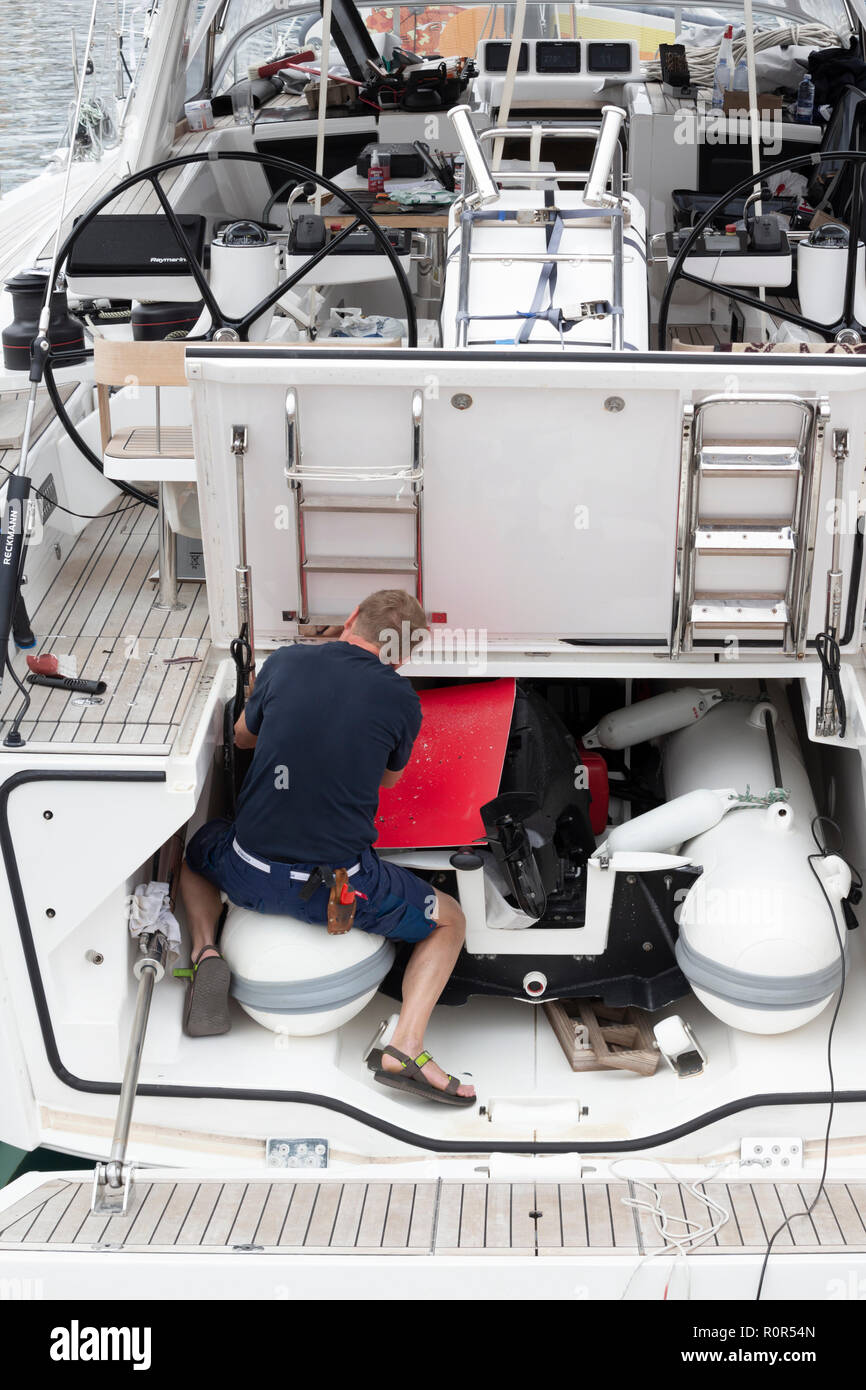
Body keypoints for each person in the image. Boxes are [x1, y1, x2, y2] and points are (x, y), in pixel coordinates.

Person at [179, 589, 475, 1107]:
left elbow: (244, 738)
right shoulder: (401, 698)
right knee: (449, 919)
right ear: (403, 656)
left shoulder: (288, 662)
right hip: (339, 894)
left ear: (353, 617)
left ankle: (205, 947)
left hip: (249, 871)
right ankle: (405, 1047)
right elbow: (388, 779)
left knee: (196, 851)